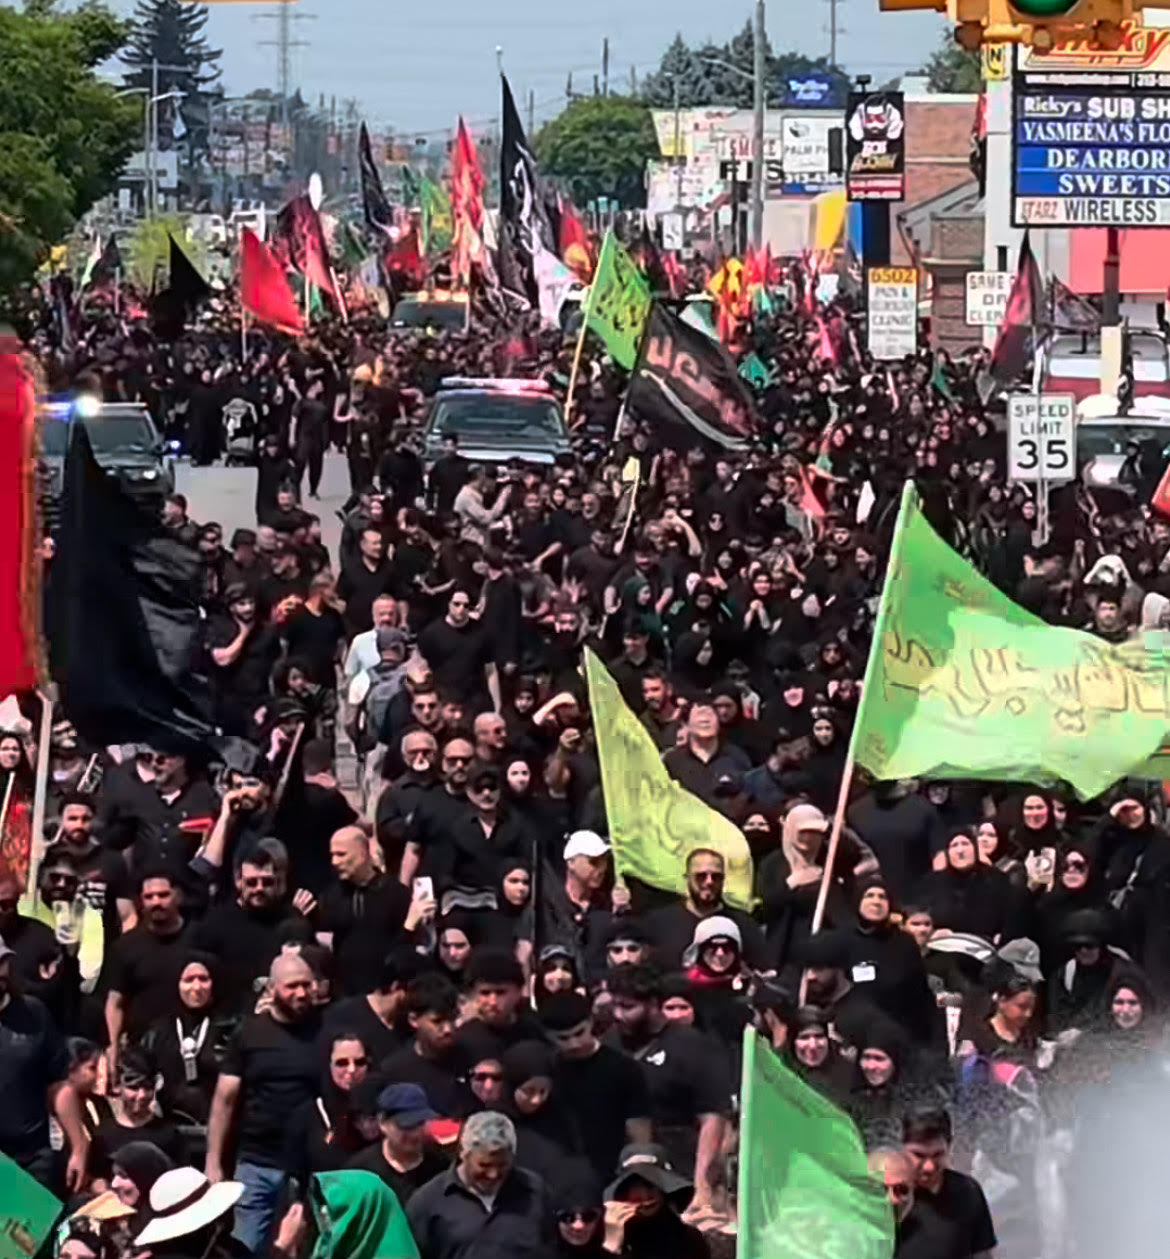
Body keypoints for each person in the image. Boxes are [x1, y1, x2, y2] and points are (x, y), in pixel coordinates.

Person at [205, 953, 322, 1252]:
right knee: (245, 1248)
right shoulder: (249, 1033)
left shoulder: (325, 1029)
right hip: (256, 1163)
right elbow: (224, 1100)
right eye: (291, 986)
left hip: (311, 1167)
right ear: (271, 989)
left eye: (306, 985)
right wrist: (213, 1161)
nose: (301, 993)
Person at [606, 964, 731, 1216]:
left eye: (628, 1007)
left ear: (653, 1004)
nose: (618, 1014)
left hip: (680, 1166)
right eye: (615, 1006)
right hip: (626, 1171)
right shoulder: (610, 1043)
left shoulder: (692, 1045)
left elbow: (712, 1119)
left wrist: (702, 1187)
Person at [406, 1110, 554, 1259]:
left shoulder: (533, 1191)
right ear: (463, 1153)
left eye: (502, 1165)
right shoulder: (428, 1203)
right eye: (484, 1165)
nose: (493, 1174)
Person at [0, 938, 84, 1192]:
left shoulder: (34, 1013)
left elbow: (59, 1085)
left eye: (2, 962)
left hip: (33, 1159)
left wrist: (79, 1146)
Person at [645, 848, 766, 971]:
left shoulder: (744, 925)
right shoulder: (658, 923)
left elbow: (762, 971)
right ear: (687, 878)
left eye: (716, 877)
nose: (709, 882)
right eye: (701, 876)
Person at [901, 1108, 997, 1259]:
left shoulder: (968, 1192)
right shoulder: (887, 1194)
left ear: (950, 1148)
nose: (929, 1167)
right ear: (902, 1149)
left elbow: (982, 1254)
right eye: (919, 1155)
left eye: (938, 1155)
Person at [600, 1144, 710, 1259]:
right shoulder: (599, 1232)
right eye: (635, 1187)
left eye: (650, 1185)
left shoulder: (688, 1238)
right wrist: (611, 1245)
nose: (645, 1196)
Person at [346, 1082, 447, 1205]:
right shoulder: (361, 1170)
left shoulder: (441, 1166)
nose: (414, 1134)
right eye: (405, 1126)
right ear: (382, 1123)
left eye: (419, 1124)